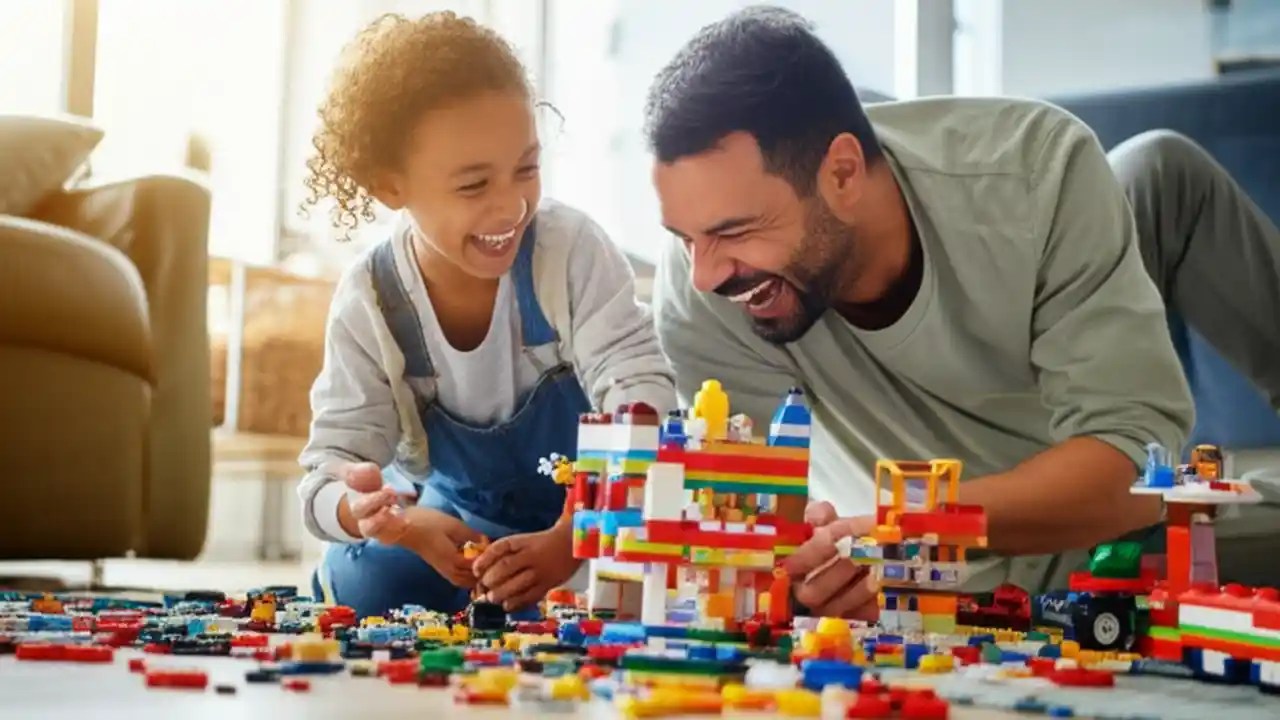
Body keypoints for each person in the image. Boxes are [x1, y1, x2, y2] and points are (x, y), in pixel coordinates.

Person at [645, 6, 1280, 619]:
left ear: (841, 174)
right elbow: (756, 534)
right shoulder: (704, 290)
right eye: (685, 237)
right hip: (936, 577)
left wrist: (916, 524)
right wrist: (821, 574)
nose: (704, 274)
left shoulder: (1034, 173)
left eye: (735, 230)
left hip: (1103, 528)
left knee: (1156, 170)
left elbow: (1132, 472)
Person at [295, 12, 675, 620]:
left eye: (526, 168)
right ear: (390, 185)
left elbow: (644, 398)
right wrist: (377, 515)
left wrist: (573, 538)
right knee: (365, 583)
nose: (512, 205)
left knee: (622, 600)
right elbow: (324, 476)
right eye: (474, 186)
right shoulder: (373, 298)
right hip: (460, 529)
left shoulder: (568, 251)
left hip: (594, 525)